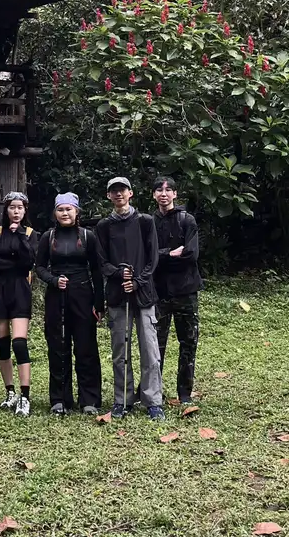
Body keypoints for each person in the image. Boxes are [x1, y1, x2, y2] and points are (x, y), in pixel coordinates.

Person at [95, 177, 165, 421]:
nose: (118, 194)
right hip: (117, 296)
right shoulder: (104, 226)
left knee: (150, 350)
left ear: (130, 193)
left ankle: (153, 401)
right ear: (108, 196)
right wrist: (118, 274)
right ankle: (122, 400)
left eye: (122, 190)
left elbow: (153, 258)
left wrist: (137, 281)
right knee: (120, 351)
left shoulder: (145, 221)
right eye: (113, 191)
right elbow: (101, 261)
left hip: (144, 295)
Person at [35, 192, 104, 416]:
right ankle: (60, 399)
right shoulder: (48, 237)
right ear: (55, 213)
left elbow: (97, 270)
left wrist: (99, 303)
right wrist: (53, 280)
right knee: (58, 347)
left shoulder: (88, 236)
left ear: (76, 212)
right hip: (56, 295)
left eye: (69, 209)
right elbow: (39, 267)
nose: (65, 213)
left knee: (86, 347)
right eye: (60, 209)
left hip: (83, 294)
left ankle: (89, 399)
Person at [0, 191, 38, 418]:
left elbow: (29, 262)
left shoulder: (31, 234)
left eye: (20, 207)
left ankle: (25, 396)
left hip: (19, 291)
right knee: (3, 344)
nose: (16, 211)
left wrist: (20, 239)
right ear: (6, 210)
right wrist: (14, 262)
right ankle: (10, 392)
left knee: (19, 343)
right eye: (12, 207)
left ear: (25, 211)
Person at [152, 176, 202, 404]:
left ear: (175, 194)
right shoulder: (149, 222)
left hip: (186, 290)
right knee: (156, 344)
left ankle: (185, 394)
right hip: (159, 292)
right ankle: (154, 393)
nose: (163, 194)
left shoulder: (187, 220)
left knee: (188, 342)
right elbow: (147, 257)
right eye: (159, 190)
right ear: (154, 195)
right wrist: (169, 254)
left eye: (168, 190)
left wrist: (161, 258)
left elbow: (191, 255)